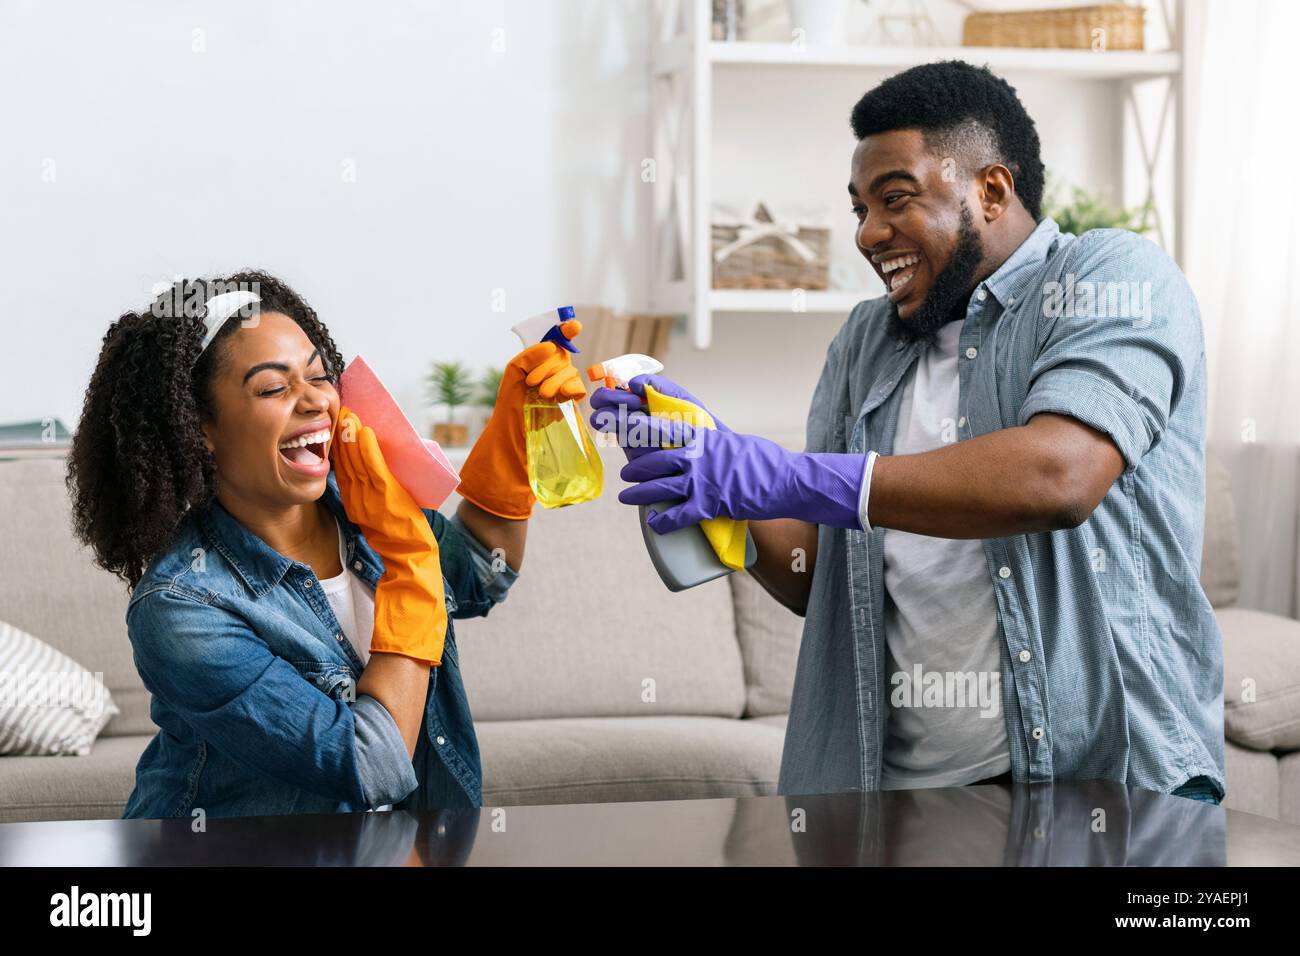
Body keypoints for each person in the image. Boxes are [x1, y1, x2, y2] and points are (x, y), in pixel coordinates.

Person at [592, 61, 1225, 805]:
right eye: (860, 207)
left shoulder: (1111, 279)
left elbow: (1059, 476)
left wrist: (786, 476)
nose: (867, 233)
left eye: (895, 200)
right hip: (888, 800)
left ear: (990, 190)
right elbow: (816, 578)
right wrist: (718, 479)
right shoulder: (867, 341)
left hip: (1100, 795)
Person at [67, 270, 586, 818]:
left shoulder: (364, 501)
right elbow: (370, 767)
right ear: (199, 426)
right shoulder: (183, 607)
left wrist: (517, 428)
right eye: (273, 387)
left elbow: (480, 575)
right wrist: (408, 560)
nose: (315, 401)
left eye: (318, 376)